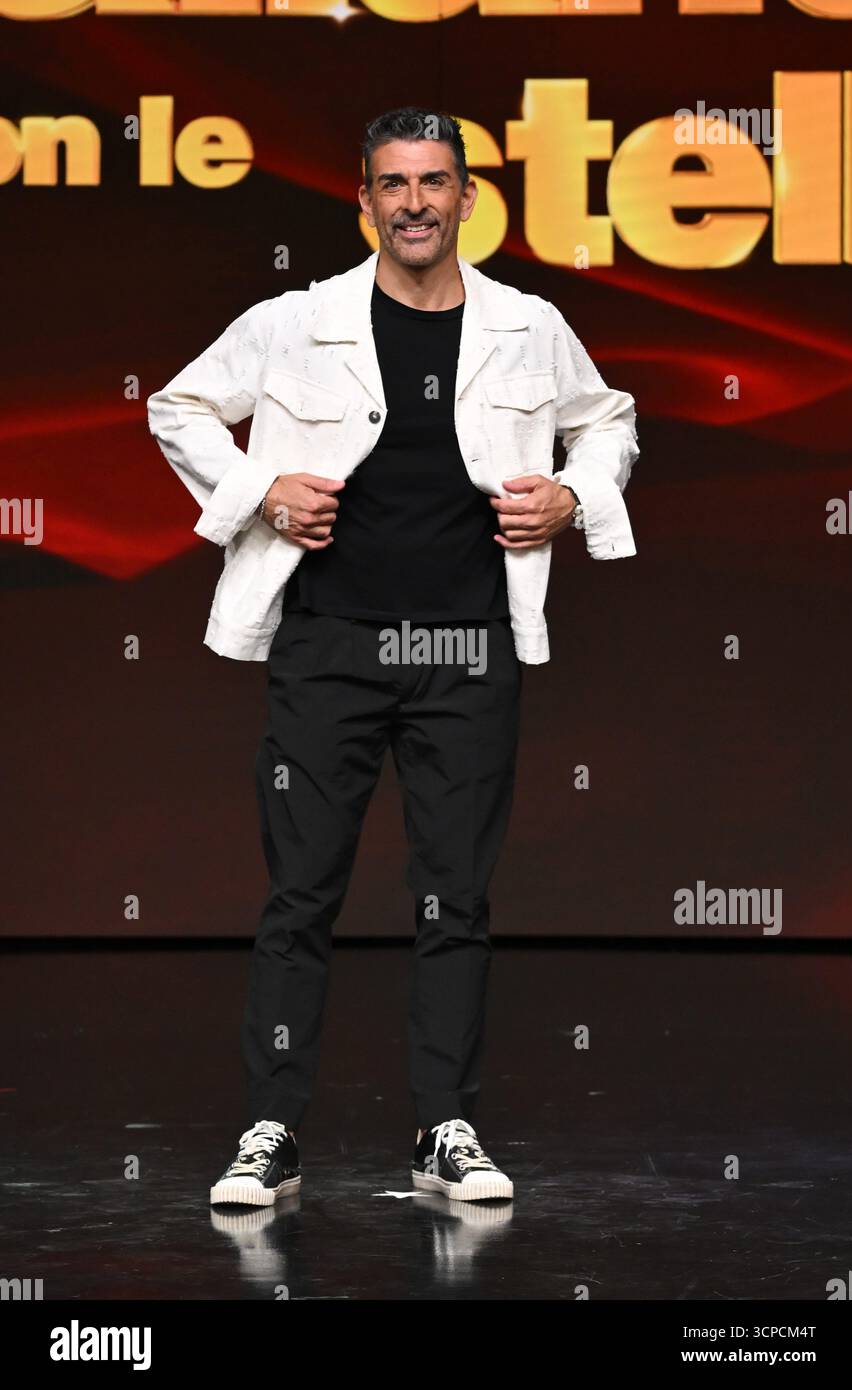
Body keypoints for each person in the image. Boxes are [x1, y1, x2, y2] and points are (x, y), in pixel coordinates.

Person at [146, 106, 639, 1206]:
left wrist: (571, 493)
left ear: (467, 199)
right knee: (300, 892)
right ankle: (269, 1129)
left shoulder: (526, 323)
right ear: (361, 203)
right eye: (391, 184)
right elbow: (177, 406)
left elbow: (606, 419)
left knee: (453, 895)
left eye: (433, 182)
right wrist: (255, 490)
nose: (413, 201)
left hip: (467, 649)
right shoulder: (294, 321)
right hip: (329, 641)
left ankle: (443, 1127)